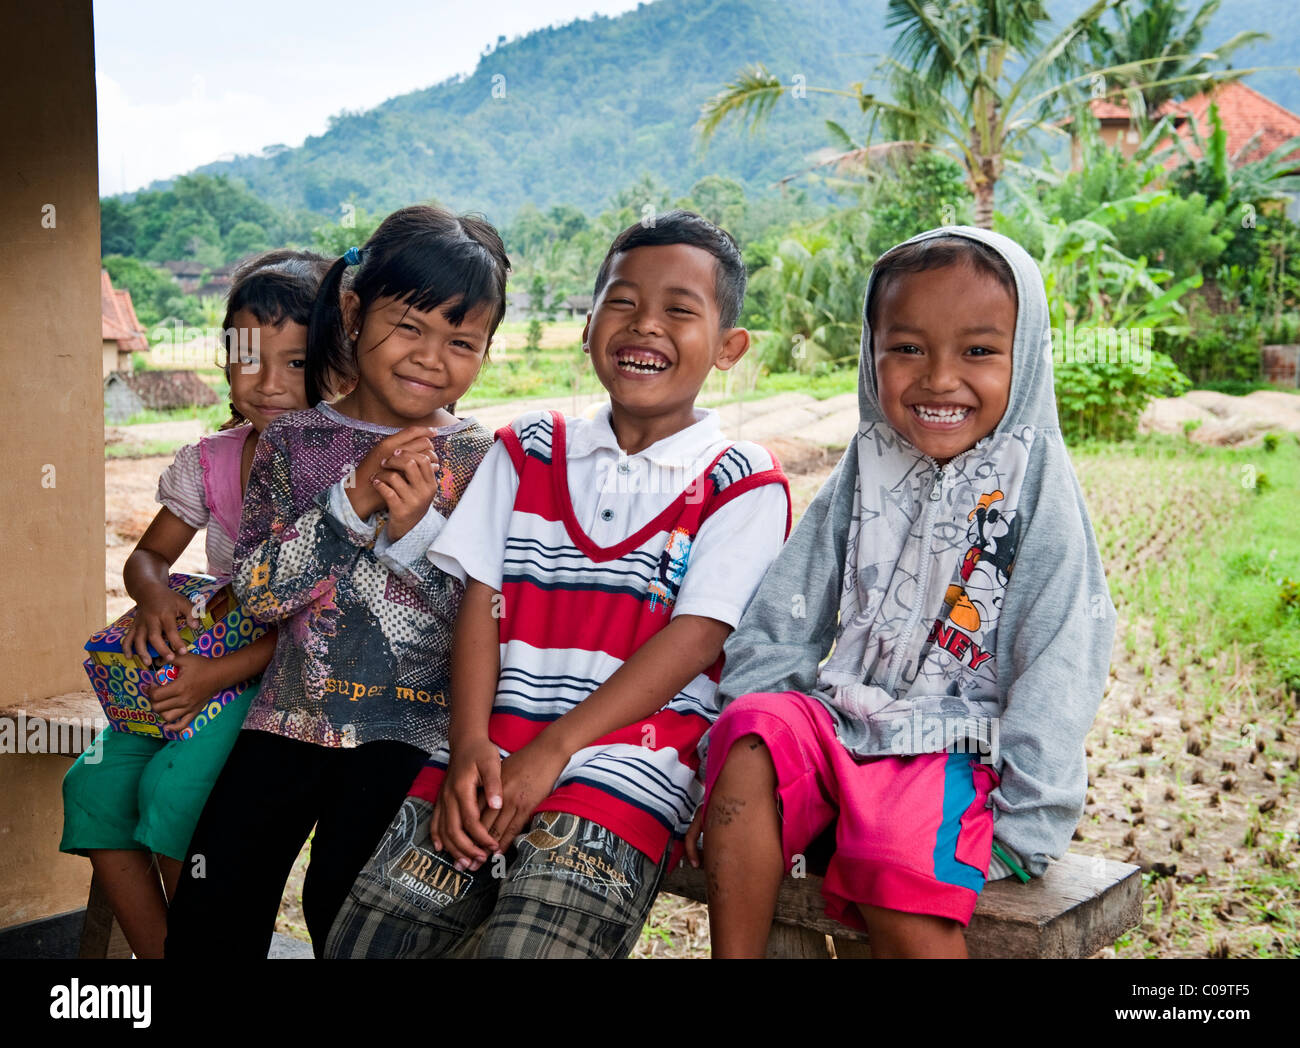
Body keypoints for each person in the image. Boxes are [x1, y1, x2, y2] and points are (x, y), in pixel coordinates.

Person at [325, 210, 791, 959]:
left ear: (729, 347)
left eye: (679, 309)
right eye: (622, 301)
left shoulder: (740, 482)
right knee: (369, 942)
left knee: (529, 951)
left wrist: (553, 752)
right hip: (490, 751)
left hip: (630, 764)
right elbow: (483, 600)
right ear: (586, 324)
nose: (645, 326)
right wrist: (471, 740)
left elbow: (696, 636)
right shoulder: (525, 450)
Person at [689, 226, 1116, 958]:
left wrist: (1030, 813)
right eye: (907, 348)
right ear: (871, 352)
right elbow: (790, 606)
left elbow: (1061, 650)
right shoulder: (870, 459)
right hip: (846, 725)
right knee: (755, 732)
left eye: (978, 352)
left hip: (955, 750)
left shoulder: (1034, 481)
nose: (939, 378)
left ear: (1028, 357)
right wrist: (747, 739)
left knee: (893, 857)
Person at [165, 206, 510, 958]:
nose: (430, 358)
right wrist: (348, 504)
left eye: (462, 342)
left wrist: (416, 530)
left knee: (347, 916)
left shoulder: (483, 461)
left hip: (408, 734)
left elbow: (482, 614)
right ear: (354, 313)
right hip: (288, 718)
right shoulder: (294, 442)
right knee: (211, 904)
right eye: (409, 327)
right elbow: (255, 595)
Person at [61, 250, 329, 958]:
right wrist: (151, 597)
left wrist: (216, 674)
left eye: (296, 363)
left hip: (282, 674)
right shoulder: (211, 460)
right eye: (249, 358)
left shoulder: (337, 480)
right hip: (200, 661)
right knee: (89, 787)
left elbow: (323, 622)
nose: (268, 383)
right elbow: (148, 557)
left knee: (173, 793)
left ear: (336, 364)